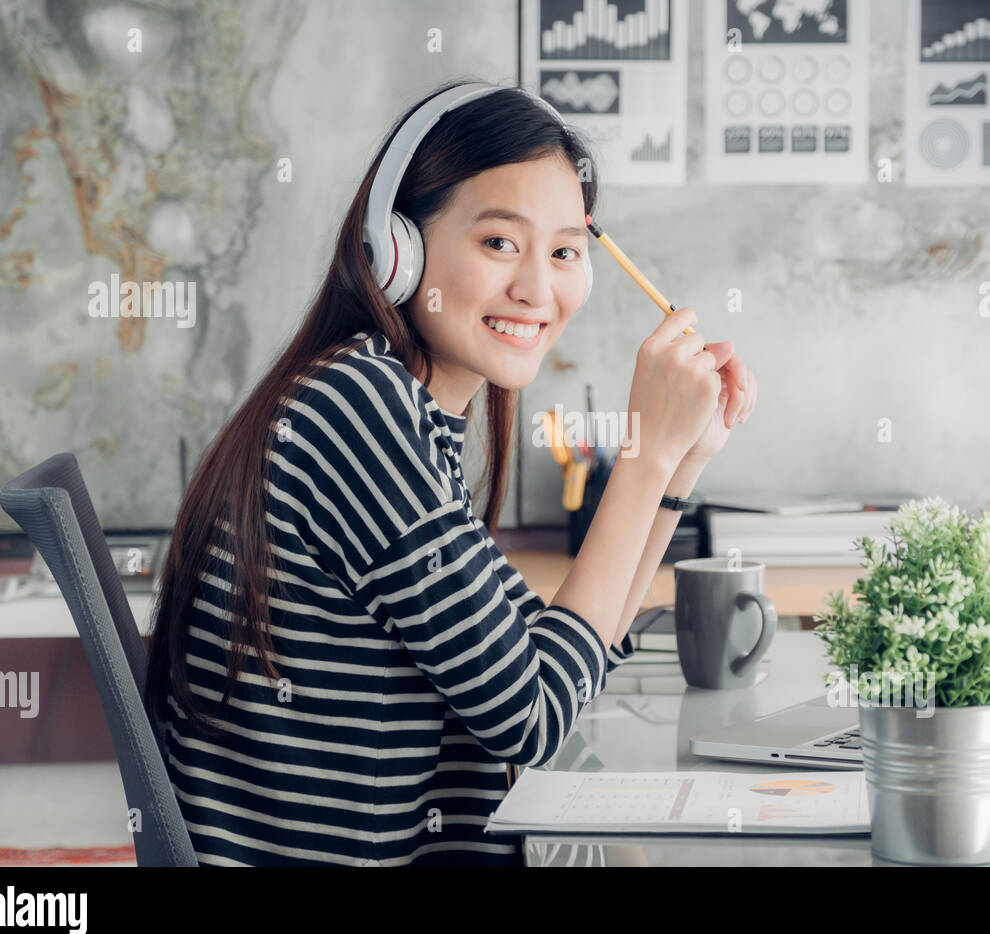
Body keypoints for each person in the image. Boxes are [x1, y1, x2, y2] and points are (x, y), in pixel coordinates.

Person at [143, 77, 757, 866]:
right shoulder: (355, 409)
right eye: (500, 242)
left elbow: (557, 662)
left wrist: (677, 465)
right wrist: (641, 456)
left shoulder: (397, 410)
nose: (538, 289)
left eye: (565, 251)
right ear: (396, 250)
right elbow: (530, 719)